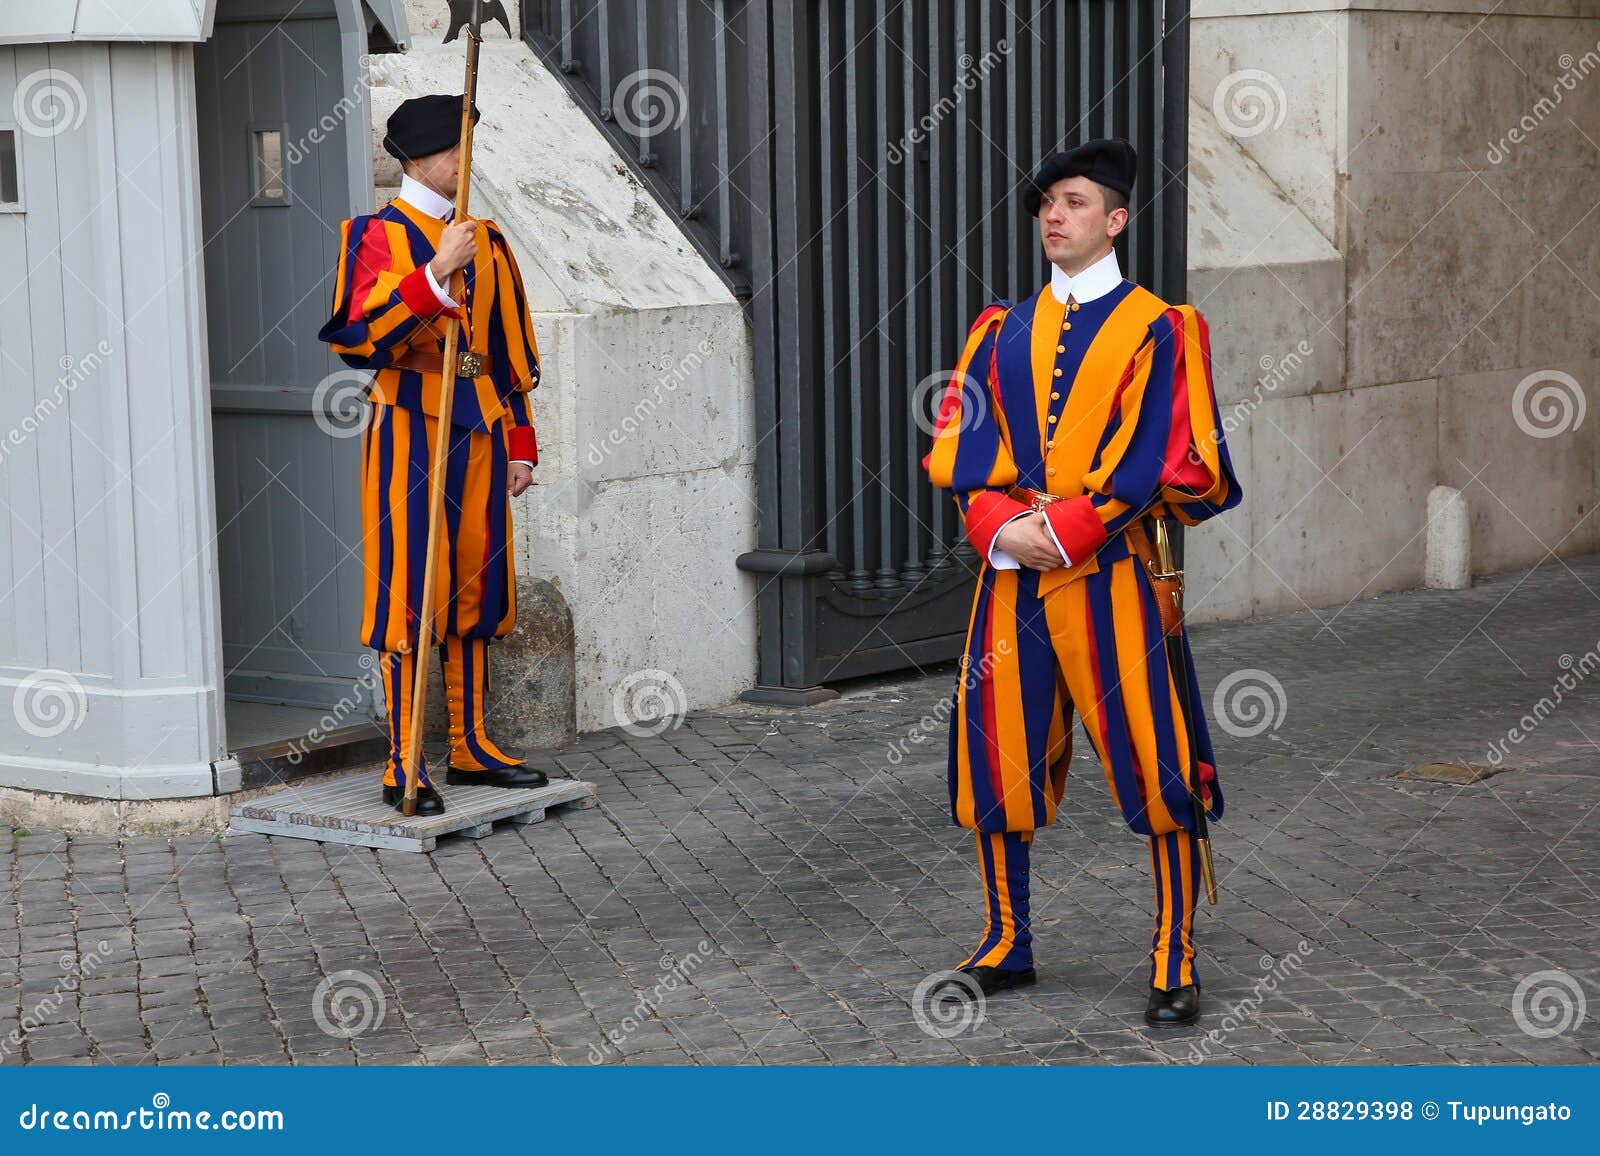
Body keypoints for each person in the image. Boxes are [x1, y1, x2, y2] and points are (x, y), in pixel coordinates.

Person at [922, 138, 1242, 1026]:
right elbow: (964, 452)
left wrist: (1055, 531)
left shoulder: (1161, 328)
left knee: (1157, 758)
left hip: (1117, 581)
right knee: (997, 757)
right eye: (1044, 204)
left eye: (1071, 201)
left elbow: (1157, 457)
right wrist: (998, 529)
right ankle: (1005, 941)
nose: (1052, 217)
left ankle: (1173, 953)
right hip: (1011, 584)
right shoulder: (999, 329)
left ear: (1116, 219)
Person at [319, 93, 548, 815]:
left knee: (478, 585)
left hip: (480, 426)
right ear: (419, 157)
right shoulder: (374, 236)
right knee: (410, 587)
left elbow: (507, 355)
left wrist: (521, 443)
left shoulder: (488, 237)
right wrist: (431, 276)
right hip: (409, 425)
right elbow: (358, 338)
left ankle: (472, 747)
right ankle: (404, 761)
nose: (465, 161)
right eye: (456, 149)